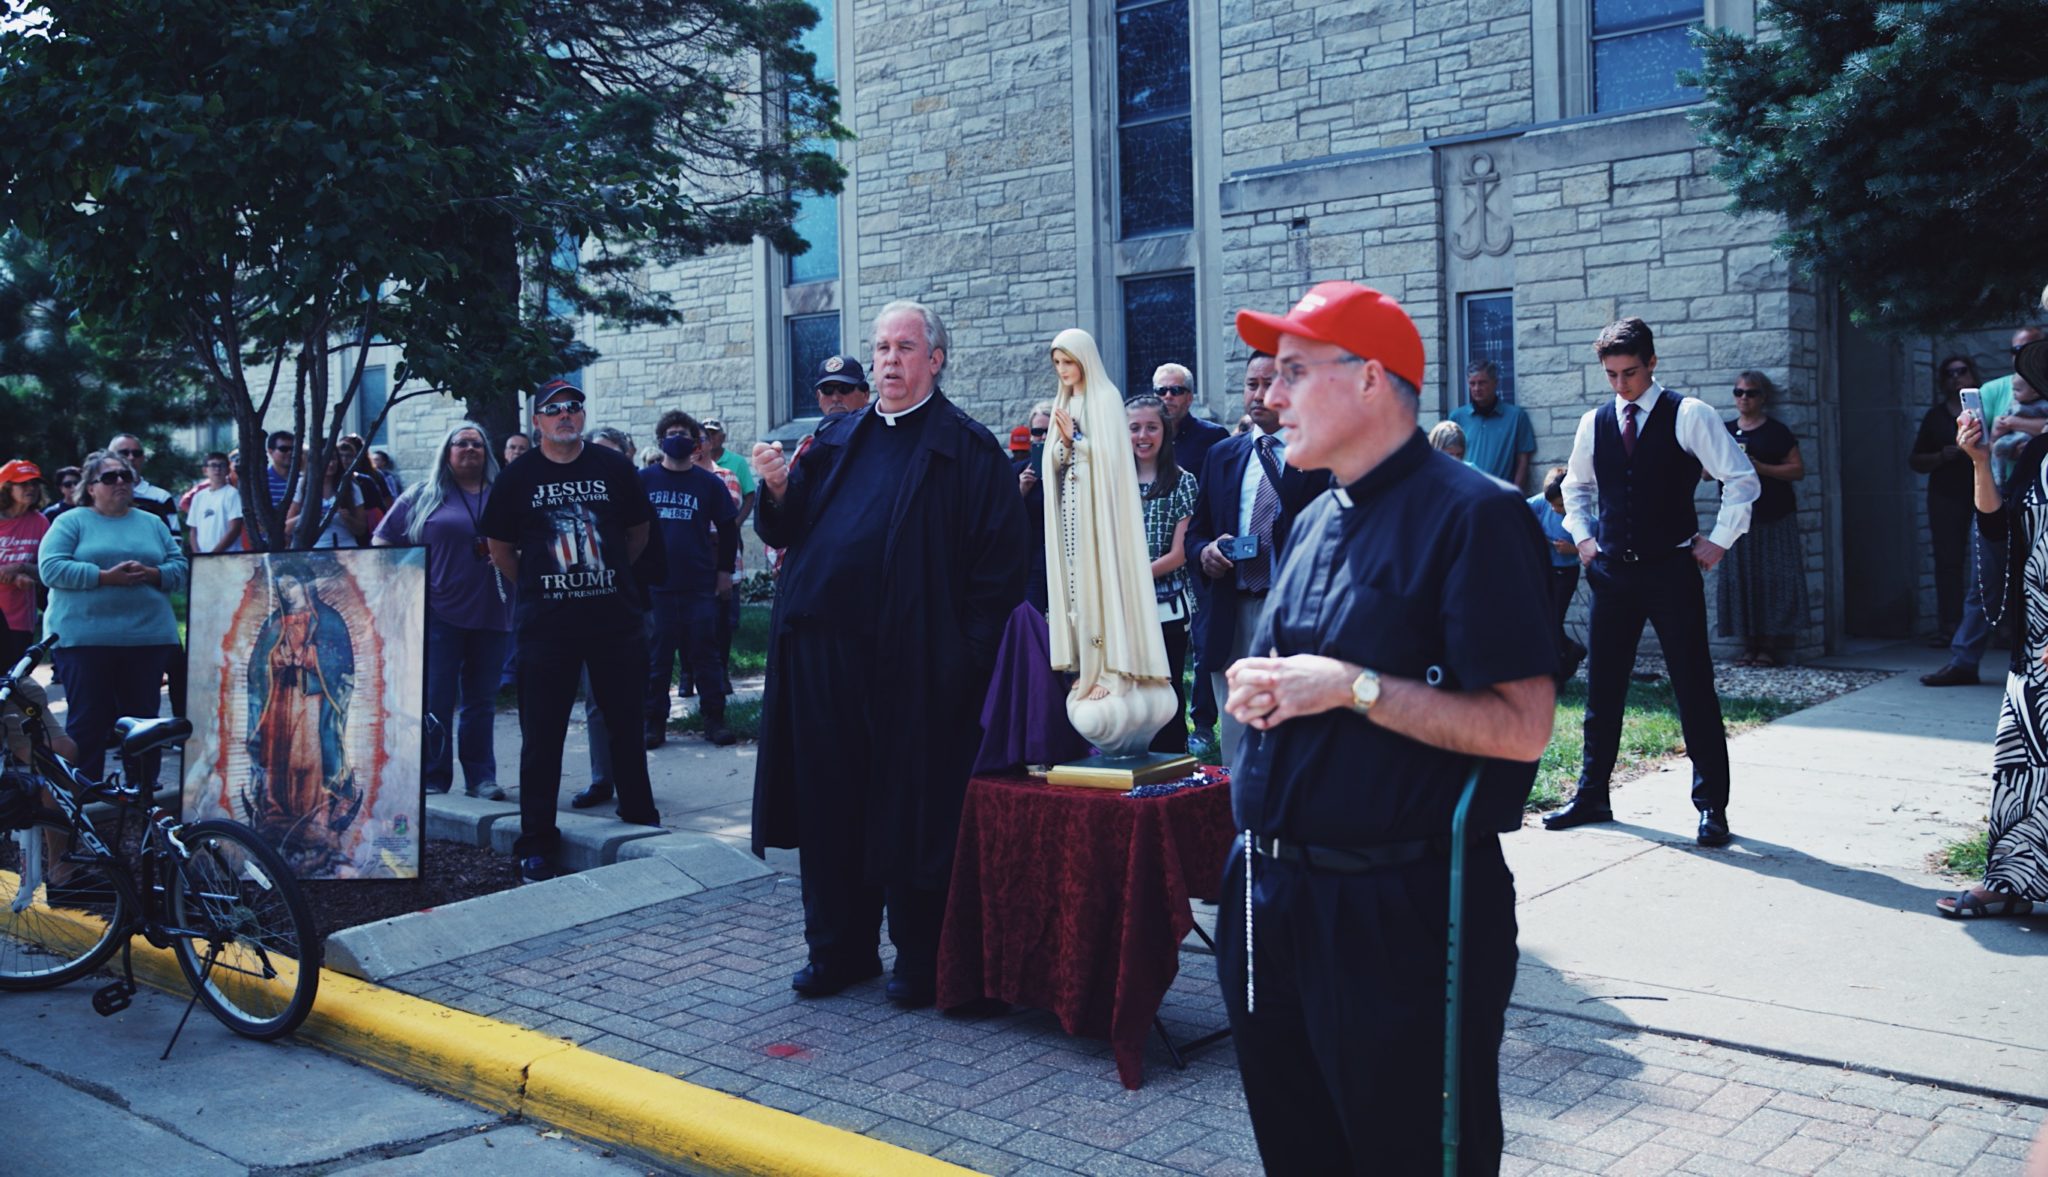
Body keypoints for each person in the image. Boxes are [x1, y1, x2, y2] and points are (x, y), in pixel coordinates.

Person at [1216, 280, 1556, 1175]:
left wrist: (1351, 688)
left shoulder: (1477, 516)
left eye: (1292, 372)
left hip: (1398, 915)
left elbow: (1524, 728)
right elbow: (1300, 678)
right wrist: (1263, 692)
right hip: (1268, 899)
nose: (1269, 395)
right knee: (1300, 1154)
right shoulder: (1313, 518)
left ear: (1370, 378)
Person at [750, 299, 1024, 1009]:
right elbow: (788, 524)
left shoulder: (967, 450)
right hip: (822, 664)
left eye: (906, 347)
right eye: (881, 348)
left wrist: (962, 659)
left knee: (911, 811)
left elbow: (999, 574)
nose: (890, 360)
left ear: (936, 359)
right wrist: (776, 490)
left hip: (915, 667)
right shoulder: (838, 438)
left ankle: (920, 958)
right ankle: (838, 950)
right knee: (829, 809)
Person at [1545, 317, 1759, 847]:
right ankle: (1593, 793)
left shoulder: (1690, 415)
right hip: (1612, 572)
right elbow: (1575, 487)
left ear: (1652, 362)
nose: (1622, 385)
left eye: (1631, 373)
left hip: (1672, 569)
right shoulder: (1594, 422)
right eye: (1612, 375)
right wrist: (1585, 539)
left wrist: (1720, 539)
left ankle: (1712, 809)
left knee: (1693, 687)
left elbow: (1741, 479)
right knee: (1603, 688)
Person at [480, 379, 660, 884]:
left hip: (614, 621)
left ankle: (641, 819)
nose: (565, 415)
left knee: (626, 725)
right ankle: (536, 841)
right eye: (554, 409)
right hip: (546, 628)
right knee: (542, 735)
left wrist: (606, 576)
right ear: (537, 421)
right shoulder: (518, 477)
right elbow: (500, 549)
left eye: (573, 407)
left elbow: (637, 533)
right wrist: (545, 586)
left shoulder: (615, 468)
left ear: (582, 416)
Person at [1186, 351, 1330, 765]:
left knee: (1294, 735)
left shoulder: (1319, 454)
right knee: (1237, 739)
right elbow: (1197, 532)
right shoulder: (1222, 456)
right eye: (1252, 384)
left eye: (1270, 384)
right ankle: (1240, 821)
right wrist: (1207, 552)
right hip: (1232, 610)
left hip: (1292, 612)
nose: (1259, 394)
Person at [1947, 336, 2048, 918]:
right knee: (2023, 762)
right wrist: (1981, 462)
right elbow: (2001, 531)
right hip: (2035, 636)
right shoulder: (2039, 455)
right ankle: (2011, 881)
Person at [1042, 328, 1176, 756]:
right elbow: (1055, 462)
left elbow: (1112, 459)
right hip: (1072, 513)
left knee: (1102, 590)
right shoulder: (1066, 402)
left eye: (1069, 363)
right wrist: (1064, 445)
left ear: (1085, 359)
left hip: (1102, 519)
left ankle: (1113, 672)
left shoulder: (1104, 399)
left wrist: (1077, 442)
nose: (1063, 372)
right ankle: (1087, 665)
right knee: (1078, 592)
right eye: (1057, 364)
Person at [374, 423, 513, 800]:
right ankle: (434, 776)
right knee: (436, 700)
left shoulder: (503, 495)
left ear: (487, 453)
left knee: (481, 701)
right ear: (446, 451)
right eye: (461, 443)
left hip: (494, 611)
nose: (470, 449)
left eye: (477, 443)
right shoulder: (423, 496)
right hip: (437, 614)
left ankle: (481, 778)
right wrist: (405, 587)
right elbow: (383, 541)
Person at [36, 451, 187, 783]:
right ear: (90, 487)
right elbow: (50, 569)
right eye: (109, 477)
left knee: (145, 726)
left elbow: (181, 569)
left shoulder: (152, 523)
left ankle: (142, 802)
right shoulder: (71, 522)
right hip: (84, 641)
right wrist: (104, 577)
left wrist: (152, 572)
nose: (120, 481)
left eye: (126, 476)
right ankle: (84, 806)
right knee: (88, 722)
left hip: (146, 639)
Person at [1923, 328, 2044, 687]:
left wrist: (2019, 424)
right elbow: (1985, 443)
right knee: (1984, 581)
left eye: (2031, 348)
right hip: (2005, 491)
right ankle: (1965, 659)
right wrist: (1977, 453)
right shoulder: (1994, 391)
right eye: (2017, 349)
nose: (2021, 354)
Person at [243, 561, 361, 874]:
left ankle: (314, 818)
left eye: (292, 585)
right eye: (282, 588)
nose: (287, 592)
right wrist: (278, 661)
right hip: (280, 702)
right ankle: (278, 815)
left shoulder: (329, 622)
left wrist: (310, 658)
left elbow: (339, 666)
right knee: (279, 758)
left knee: (309, 760)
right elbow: (258, 669)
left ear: (308, 586)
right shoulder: (274, 623)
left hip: (312, 702)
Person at [641, 410, 739, 747]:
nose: (678, 438)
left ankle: (714, 719)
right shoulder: (645, 480)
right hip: (656, 585)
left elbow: (728, 528)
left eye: (685, 432)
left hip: (699, 582)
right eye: (672, 432)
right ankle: (654, 723)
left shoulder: (708, 483)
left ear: (697, 443)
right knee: (657, 659)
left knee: (706, 656)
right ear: (660, 440)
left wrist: (725, 572)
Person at [1152, 362, 1228, 752]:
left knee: (1202, 645)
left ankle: (1202, 724)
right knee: (1162, 651)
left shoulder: (1213, 439)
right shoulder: (1146, 438)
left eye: (1176, 390)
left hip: (1195, 552)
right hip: (1156, 558)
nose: (1168, 398)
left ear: (1190, 396)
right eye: (1162, 391)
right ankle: (1159, 728)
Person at [1717, 371, 1808, 666]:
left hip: (1773, 516)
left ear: (1763, 397)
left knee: (1774, 580)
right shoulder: (1725, 431)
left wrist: (1760, 468)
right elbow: (1706, 471)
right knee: (1740, 580)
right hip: (1735, 518)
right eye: (1739, 392)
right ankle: (1748, 645)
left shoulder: (1776, 432)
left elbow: (1796, 470)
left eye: (1751, 393)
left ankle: (1769, 647)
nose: (1744, 398)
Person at [1128, 394, 1199, 752]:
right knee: (1129, 688)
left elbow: (1179, 553)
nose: (1143, 435)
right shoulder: (1113, 483)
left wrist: (1132, 576)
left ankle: (1172, 764)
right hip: (1121, 604)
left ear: (1165, 431)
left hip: (1164, 604)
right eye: (1134, 427)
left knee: (1165, 688)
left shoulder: (1182, 482)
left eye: (1151, 427)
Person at [1912, 353, 1985, 650]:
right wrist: (1941, 456)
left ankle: (1996, 627)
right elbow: (1915, 459)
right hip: (1946, 495)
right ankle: (1950, 626)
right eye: (1950, 373)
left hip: (1984, 491)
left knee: (1990, 561)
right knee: (1948, 562)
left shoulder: (1985, 410)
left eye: (1962, 371)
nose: (1956, 378)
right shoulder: (1936, 417)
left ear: (1972, 374)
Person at [1528, 465, 1585, 681]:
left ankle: (1559, 672)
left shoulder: (1579, 511)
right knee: (1543, 619)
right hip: (1544, 571)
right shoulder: (1542, 504)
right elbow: (1517, 512)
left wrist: (1573, 549)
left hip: (1566, 572)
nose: (1554, 509)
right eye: (1551, 505)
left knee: (1552, 620)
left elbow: (1598, 545)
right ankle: (1570, 651)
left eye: (1559, 505)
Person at [1448, 359, 1536, 487]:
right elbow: (1448, 459)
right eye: (1472, 384)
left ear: (1495, 383)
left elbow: (1523, 461)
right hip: (1465, 496)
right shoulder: (1456, 418)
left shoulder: (1516, 417)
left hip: (1500, 497)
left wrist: (1515, 496)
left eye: (1482, 383)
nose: (1476, 388)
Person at [0, 461, 50, 668]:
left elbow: (49, 568)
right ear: (6, 487)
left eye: (34, 484)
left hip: (20, 618)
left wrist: (24, 571)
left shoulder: (40, 522)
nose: (31, 489)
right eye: (23, 484)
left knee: (14, 682)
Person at [1014, 401, 1053, 615]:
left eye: (1049, 431)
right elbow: (1003, 520)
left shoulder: (1075, 469)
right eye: (1038, 431)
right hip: (1031, 562)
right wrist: (1021, 490)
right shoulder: (1018, 471)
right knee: (1032, 619)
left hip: (1066, 562)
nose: (1044, 437)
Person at [107, 433, 181, 545]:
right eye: (124, 453)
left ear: (143, 458)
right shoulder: (100, 495)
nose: (131, 457)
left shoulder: (160, 497)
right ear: (109, 457)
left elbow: (175, 540)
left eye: (137, 453)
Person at [185, 452, 245, 555]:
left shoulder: (232, 494)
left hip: (229, 557)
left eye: (222, 465)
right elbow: (193, 530)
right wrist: (197, 554)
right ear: (205, 470)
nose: (217, 469)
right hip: (203, 558)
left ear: (228, 470)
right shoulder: (199, 497)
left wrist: (214, 554)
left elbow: (235, 528)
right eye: (213, 465)